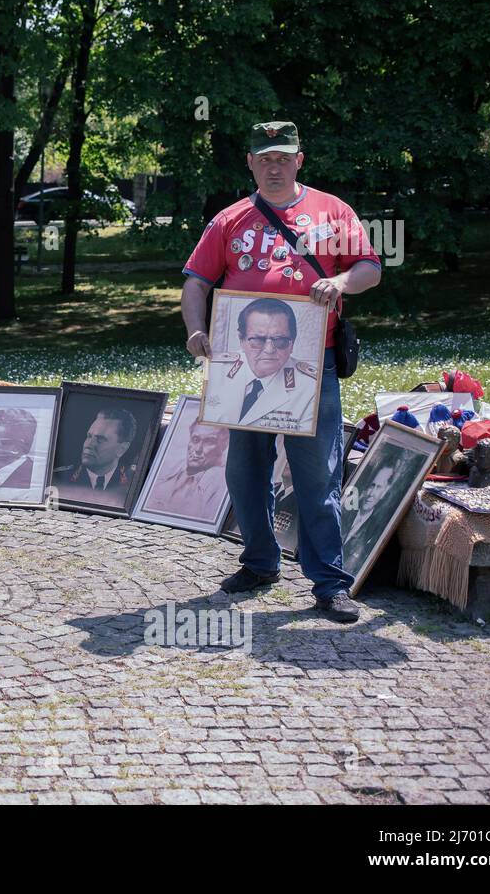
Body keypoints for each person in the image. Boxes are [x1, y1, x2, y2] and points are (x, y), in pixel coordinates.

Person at [181, 120, 382, 623]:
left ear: (299, 160)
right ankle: (259, 562)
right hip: (240, 369)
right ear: (249, 162)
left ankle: (330, 583)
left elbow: (370, 268)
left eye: (283, 157)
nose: (274, 166)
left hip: (316, 365)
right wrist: (193, 329)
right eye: (264, 158)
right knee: (244, 472)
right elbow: (195, 284)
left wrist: (339, 282)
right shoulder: (228, 220)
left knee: (317, 475)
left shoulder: (333, 212)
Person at [202, 297, 317, 431]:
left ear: (292, 342)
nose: (269, 350)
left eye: (280, 340)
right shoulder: (215, 370)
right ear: (241, 339)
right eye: (258, 340)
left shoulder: (310, 388)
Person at [146, 421, 229, 521]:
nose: (198, 449)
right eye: (195, 439)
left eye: (209, 442)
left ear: (222, 447)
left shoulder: (219, 485)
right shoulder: (169, 475)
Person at [53, 407, 137, 505]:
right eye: (89, 436)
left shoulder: (132, 484)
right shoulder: (60, 478)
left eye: (100, 439)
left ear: (122, 449)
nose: (89, 444)